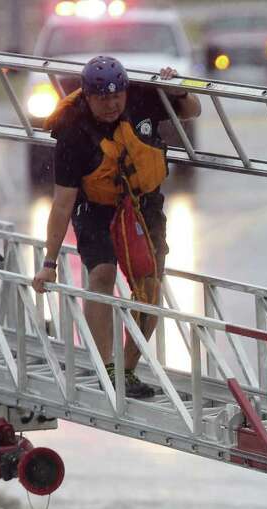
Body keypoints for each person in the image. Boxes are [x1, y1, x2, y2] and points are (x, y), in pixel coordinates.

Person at [31, 56, 202, 398]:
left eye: (116, 96)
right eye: (102, 98)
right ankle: (106, 366)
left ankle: (126, 369)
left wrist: (178, 90)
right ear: (88, 96)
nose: (111, 105)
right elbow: (62, 203)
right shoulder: (72, 132)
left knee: (150, 286)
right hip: (96, 209)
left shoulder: (142, 97)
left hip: (143, 206)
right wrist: (49, 263)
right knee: (102, 275)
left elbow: (193, 111)